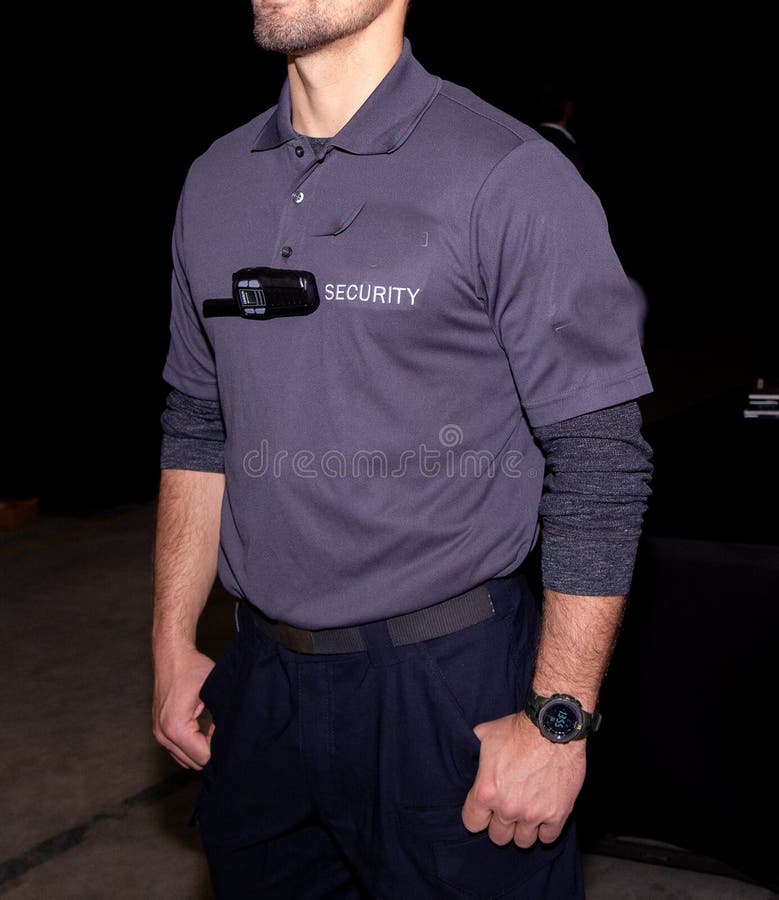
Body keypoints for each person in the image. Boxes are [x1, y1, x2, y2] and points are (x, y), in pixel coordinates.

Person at [151, 1, 654, 897]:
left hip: (448, 690)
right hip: (260, 688)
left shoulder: (507, 173)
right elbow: (197, 424)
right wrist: (170, 641)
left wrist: (557, 722)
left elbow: (600, 460)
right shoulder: (214, 179)